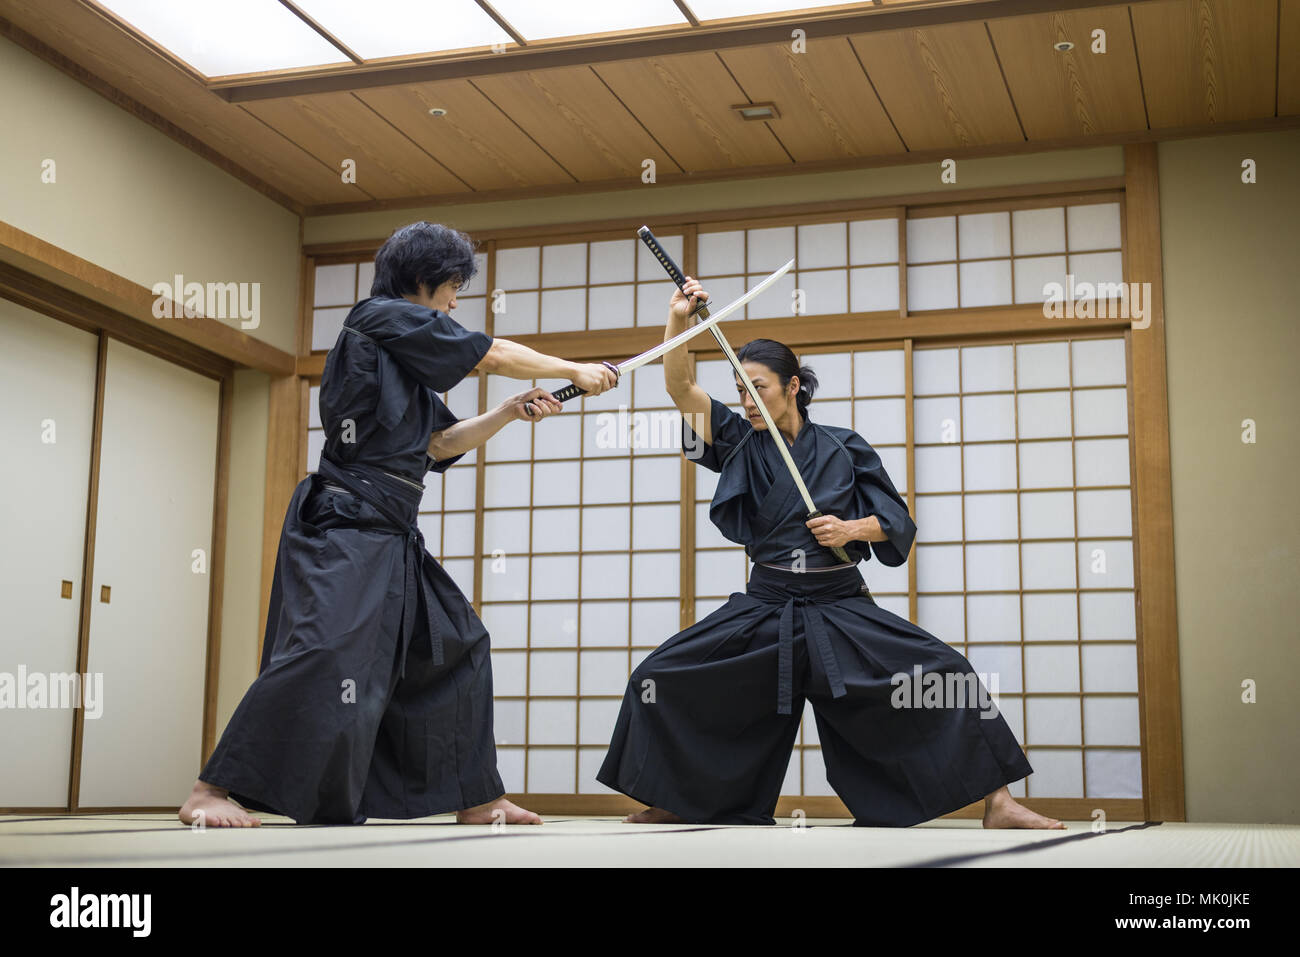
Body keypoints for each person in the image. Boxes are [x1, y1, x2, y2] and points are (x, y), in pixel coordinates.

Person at [180, 222, 617, 827]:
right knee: (321, 650)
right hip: (345, 523)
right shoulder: (378, 317)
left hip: (390, 530)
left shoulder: (403, 354)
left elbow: (437, 445)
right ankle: (210, 790)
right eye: (452, 287)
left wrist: (509, 413)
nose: (456, 301)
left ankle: (477, 798)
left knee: (460, 645)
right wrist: (573, 368)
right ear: (421, 279)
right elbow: (487, 351)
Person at [597, 277, 1065, 830]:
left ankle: (999, 803)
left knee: (948, 672)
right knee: (663, 673)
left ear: (793, 386)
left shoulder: (846, 446)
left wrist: (850, 529)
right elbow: (680, 386)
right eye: (739, 390)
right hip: (766, 604)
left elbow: (895, 522)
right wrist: (680, 320)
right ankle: (682, 799)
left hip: (839, 604)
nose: (747, 401)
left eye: (759, 388)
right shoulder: (738, 440)